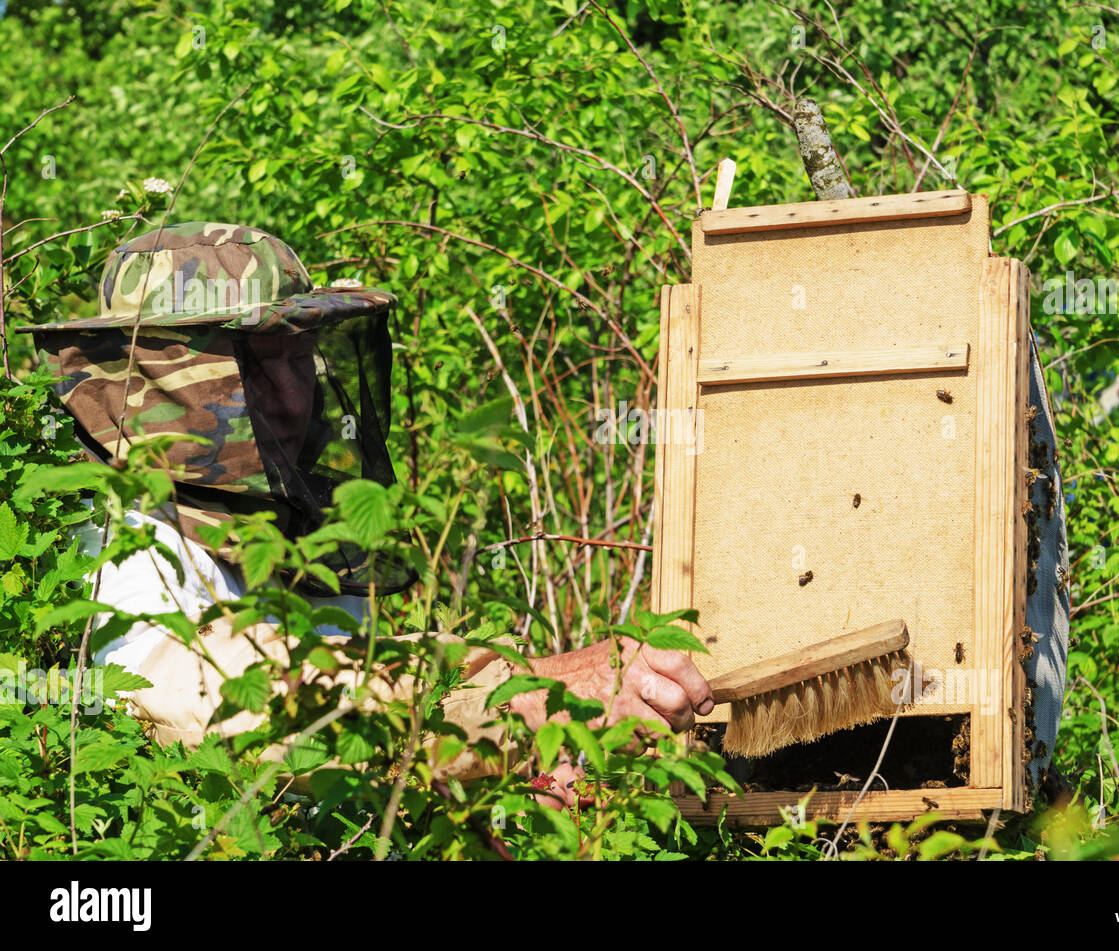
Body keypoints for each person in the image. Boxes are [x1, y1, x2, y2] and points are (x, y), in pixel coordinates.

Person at [24, 221, 713, 808]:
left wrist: (508, 773)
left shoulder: (288, 520)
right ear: (175, 376)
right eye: (264, 363)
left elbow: (373, 715)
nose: (297, 394)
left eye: (302, 357)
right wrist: (538, 695)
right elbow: (221, 705)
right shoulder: (107, 534)